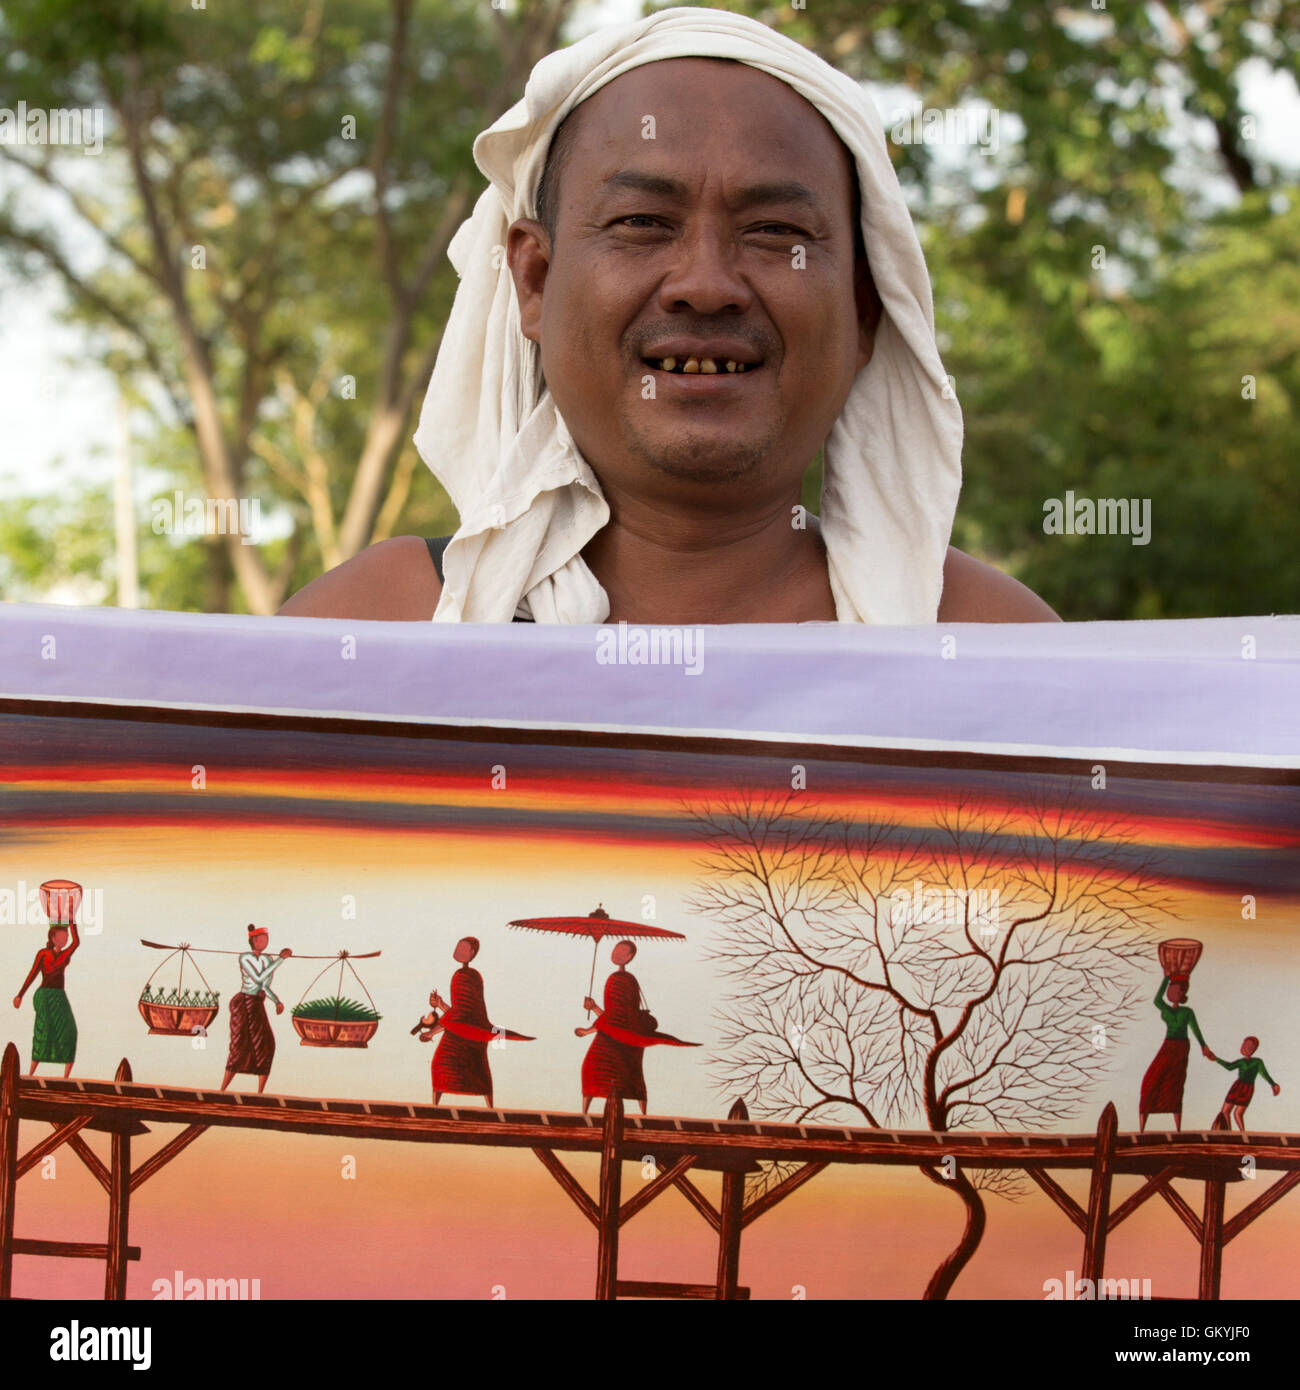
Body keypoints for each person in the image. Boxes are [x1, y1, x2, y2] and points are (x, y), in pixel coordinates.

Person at [278, 9, 1059, 628]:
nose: (707, 285)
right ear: (536, 280)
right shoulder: (368, 636)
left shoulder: (996, 655)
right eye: (642, 223)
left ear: (863, 308)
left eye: (775, 233)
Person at [576, 940, 697, 1115]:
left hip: (616, 1035)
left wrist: (589, 1030)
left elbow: (618, 1015)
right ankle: (585, 1112)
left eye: (621, 952)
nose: (615, 954)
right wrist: (594, 1007)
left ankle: (641, 1114)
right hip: (615, 1031)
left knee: (603, 1069)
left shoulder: (620, 980)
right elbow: (612, 1015)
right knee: (597, 1070)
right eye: (615, 949)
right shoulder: (620, 979)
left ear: (629, 957)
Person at [422, 937, 533, 1108]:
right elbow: (460, 1011)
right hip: (459, 1028)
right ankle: (435, 1106)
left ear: (472, 953)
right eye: (457, 946)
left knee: (472, 1069)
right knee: (442, 1065)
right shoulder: (461, 975)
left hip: (470, 1030)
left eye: (462, 948)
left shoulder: (468, 976)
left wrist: (431, 1032)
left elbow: (466, 1012)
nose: (457, 950)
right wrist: (441, 1005)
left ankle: (490, 1108)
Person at [221, 924, 291, 1093]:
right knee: (239, 1045)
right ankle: (222, 1089)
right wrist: (280, 960)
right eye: (262, 939)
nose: (265, 942)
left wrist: (276, 1001)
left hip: (257, 1003)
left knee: (267, 1044)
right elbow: (258, 978)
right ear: (253, 940)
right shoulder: (244, 958)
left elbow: (265, 985)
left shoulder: (267, 959)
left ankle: (260, 1092)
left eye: (267, 939)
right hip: (244, 1003)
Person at [1139, 974, 1211, 1132]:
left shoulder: (1187, 1012)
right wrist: (1166, 978)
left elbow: (1195, 1029)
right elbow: (1157, 999)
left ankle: (1178, 1128)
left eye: (1175, 990)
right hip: (1168, 1045)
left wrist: (1203, 1046)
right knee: (1150, 1080)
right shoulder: (1165, 1008)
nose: (1171, 993)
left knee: (1175, 1083)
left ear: (1182, 994)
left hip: (1181, 1047)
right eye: (1170, 990)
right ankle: (1142, 1127)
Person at [12, 918, 80, 1077]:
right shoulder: (43, 953)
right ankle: (31, 1073)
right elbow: (33, 973)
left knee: (70, 1030)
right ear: (53, 938)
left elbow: (76, 942)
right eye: (62, 937)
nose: (65, 940)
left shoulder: (65, 954)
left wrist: (72, 923)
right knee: (43, 1031)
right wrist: (20, 995)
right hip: (44, 995)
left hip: (59, 996)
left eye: (66, 937)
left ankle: (66, 1077)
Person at [1206, 1036, 1281, 1132]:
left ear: (1253, 1049)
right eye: (1244, 1044)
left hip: (1248, 1088)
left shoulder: (1257, 1062)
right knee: (1225, 1111)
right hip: (1237, 1087)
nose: (1245, 1047)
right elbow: (1229, 1067)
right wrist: (1216, 1059)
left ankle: (1242, 1132)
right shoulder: (1241, 1061)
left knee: (1238, 1113)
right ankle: (1229, 1132)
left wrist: (1273, 1084)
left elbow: (1264, 1074)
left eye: (1249, 1046)